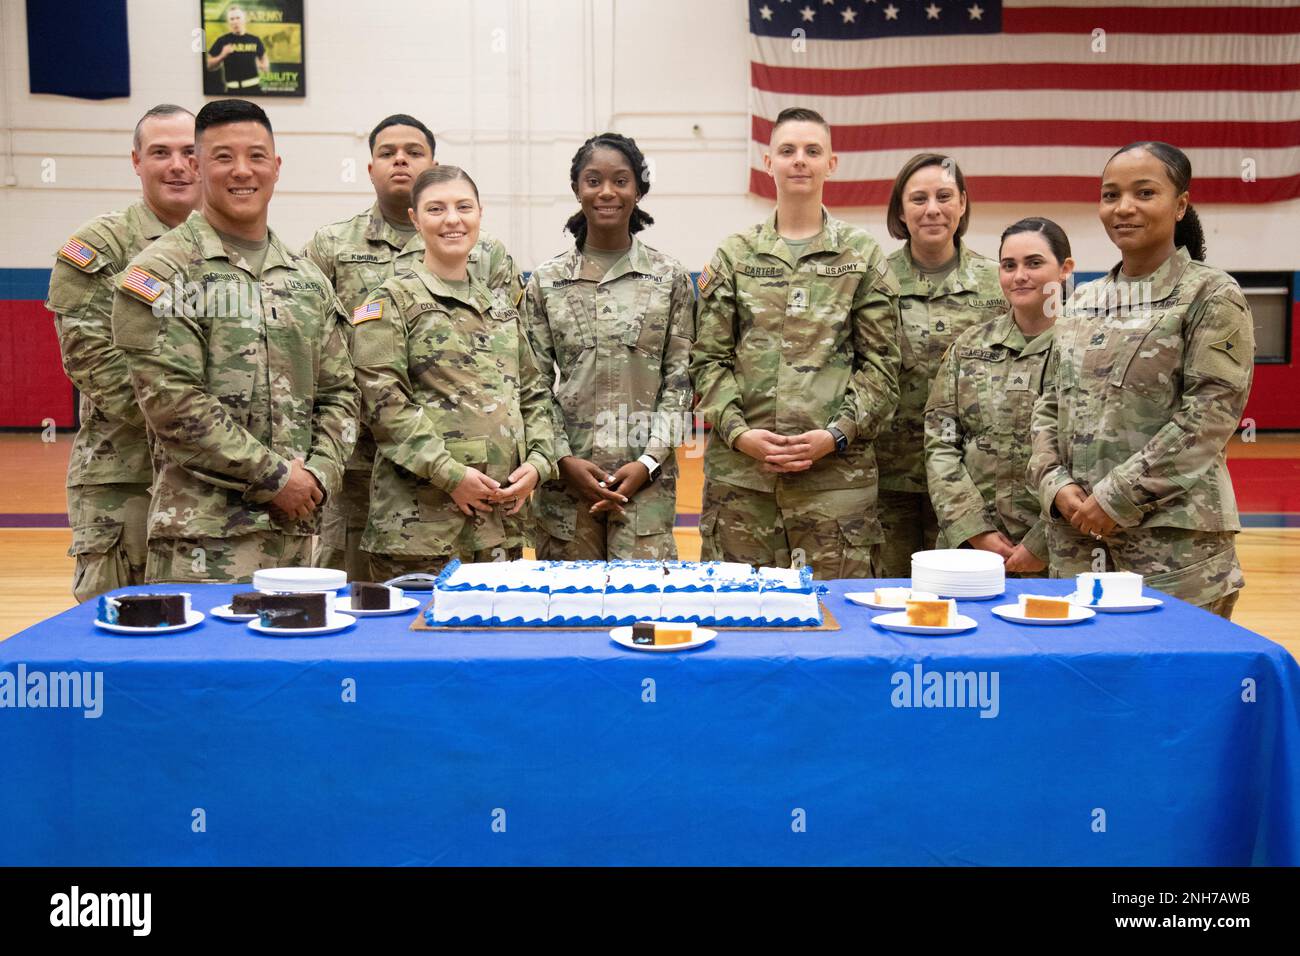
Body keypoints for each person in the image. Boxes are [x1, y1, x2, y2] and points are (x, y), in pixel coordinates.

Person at [110, 99, 358, 583]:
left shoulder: (307, 278)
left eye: (257, 156)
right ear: (199, 167)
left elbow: (341, 394)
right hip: (204, 543)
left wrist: (320, 476)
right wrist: (278, 479)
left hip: (299, 537)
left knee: (297, 661)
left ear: (277, 167)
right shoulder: (162, 273)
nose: (242, 171)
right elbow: (174, 407)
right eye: (223, 157)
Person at [1029, 142, 1254, 619]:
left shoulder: (1210, 294)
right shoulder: (1083, 300)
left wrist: (1114, 498)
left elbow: (1211, 413)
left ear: (1180, 205)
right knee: (1086, 686)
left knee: (1178, 688)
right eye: (1111, 195)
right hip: (1076, 545)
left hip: (1172, 550)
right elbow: (1048, 404)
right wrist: (1054, 483)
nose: (1123, 207)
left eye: (1144, 192)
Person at [302, 113, 523, 581]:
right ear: (370, 168)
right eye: (387, 152)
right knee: (354, 587)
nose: (400, 159)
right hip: (359, 458)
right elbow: (313, 346)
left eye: (413, 152)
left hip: (471, 469)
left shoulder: (489, 256)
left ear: (432, 164)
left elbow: (511, 365)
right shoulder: (332, 245)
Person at [689, 107, 900, 579]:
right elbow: (707, 361)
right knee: (740, 628)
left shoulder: (861, 255)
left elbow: (882, 368)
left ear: (832, 163)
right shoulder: (735, 254)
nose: (799, 161)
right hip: (743, 484)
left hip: (835, 486)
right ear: (768, 162)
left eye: (812, 151)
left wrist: (835, 435)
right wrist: (740, 434)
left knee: (840, 629)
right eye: (787, 151)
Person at [351, 166, 555, 580]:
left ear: (480, 213)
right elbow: (383, 403)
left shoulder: (499, 307)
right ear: (414, 218)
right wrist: (451, 475)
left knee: (497, 641)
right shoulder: (390, 301)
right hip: (422, 529)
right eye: (436, 208)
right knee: (414, 640)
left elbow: (534, 395)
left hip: (501, 526)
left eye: (463, 207)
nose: (452, 219)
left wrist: (538, 464)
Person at [45, 104, 200, 602]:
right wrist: (195, 430)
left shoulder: (229, 250)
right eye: (161, 152)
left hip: (208, 484)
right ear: (137, 161)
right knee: (115, 626)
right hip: (126, 480)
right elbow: (89, 358)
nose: (178, 165)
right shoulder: (102, 245)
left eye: (190, 152)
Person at [522, 133, 694, 560]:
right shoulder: (546, 281)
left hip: (645, 488)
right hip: (567, 486)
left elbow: (682, 382)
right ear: (577, 189)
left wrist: (649, 461)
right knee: (566, 617)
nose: (606, 192)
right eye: (593, 180)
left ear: (638, 189)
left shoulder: (670, 278)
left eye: (620, 180)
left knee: (643, 615)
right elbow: (531, 385)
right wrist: (561, 459)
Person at [876, 153, 1007, 576]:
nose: (932, 209)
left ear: (963, 203)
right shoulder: (873, 279)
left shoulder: (997, 281)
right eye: (918, 198)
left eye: (944, 196)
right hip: (888, 477)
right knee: (887, 598)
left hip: (971, 482)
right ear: (900, 209)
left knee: (959, 599)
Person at [925, 218, 1074, 575]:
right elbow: (940, 442)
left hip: (1061, 553)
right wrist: (974, 530)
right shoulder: (969, 346)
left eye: (1034, 263)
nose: (1019, 275)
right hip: (967, 552)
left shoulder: (1088, 348)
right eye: (1009, 266)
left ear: (1065, 269)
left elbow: (1096, 457)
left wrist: (1041, 542)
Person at [205, 5, 267, 94]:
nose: (235, 21)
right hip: (232, 90)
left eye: (238, 18)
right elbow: (209, 65)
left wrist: (262, 66)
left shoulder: (254, 39)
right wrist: (222, 55)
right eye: (232, 19)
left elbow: (265, 61)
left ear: (244, 19)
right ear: (228, 22)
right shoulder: (222, 40)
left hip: (255, 89)